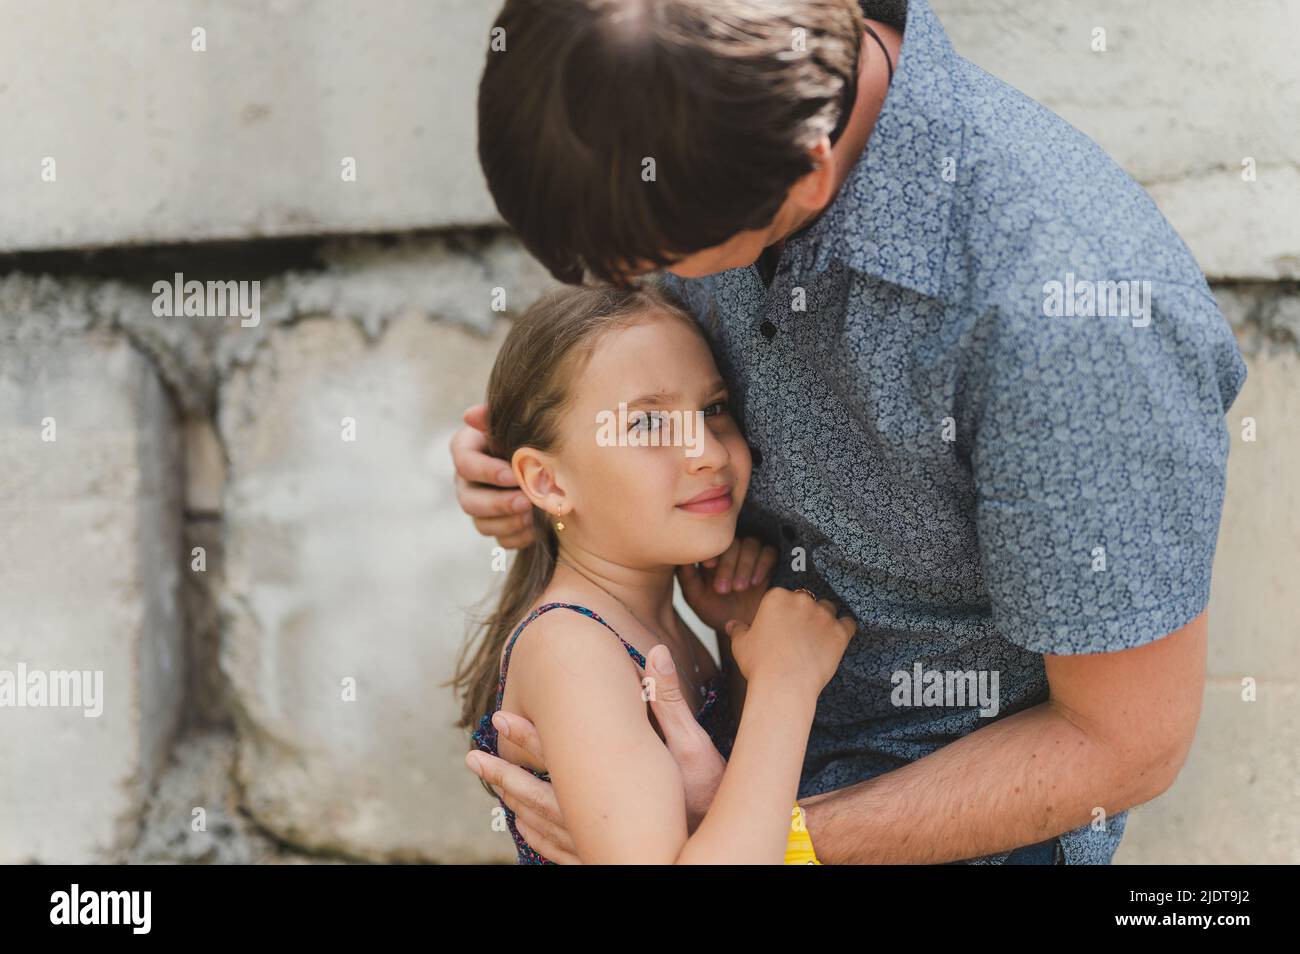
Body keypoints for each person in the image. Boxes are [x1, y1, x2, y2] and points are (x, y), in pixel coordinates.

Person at [452, 0, 1247, 864]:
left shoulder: (1065, 318)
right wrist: (538, 481)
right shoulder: (704, 149)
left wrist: (751, 835)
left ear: (810, 172)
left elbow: (1124, 744)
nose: (646, 283)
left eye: (660, 261)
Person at [448, 281, 857, 863]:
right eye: (647, 426)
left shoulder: (656, 620)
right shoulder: (572, 649)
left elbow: (728, 807)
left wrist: (736, 638)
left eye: (713, 409)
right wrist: (784, 687)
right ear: (548, 482)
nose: (709, 453)